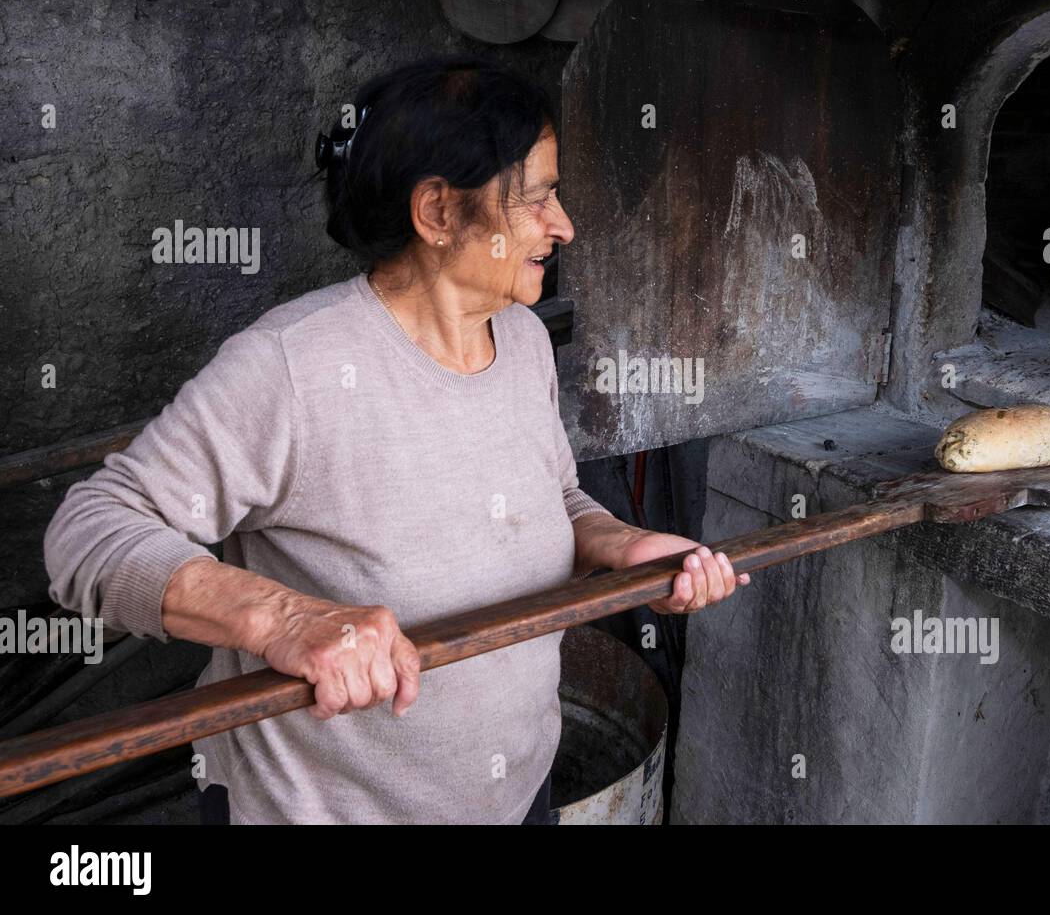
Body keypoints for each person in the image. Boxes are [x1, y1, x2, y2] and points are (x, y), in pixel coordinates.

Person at [44, 54, 746, 825]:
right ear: (440, 213)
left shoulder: (521, 341)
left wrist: (619, 542)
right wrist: (285, 621)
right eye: (539, 197)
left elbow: (556, 496)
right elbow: (90, 531)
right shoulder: (293, 368)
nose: (564, 224)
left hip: (515, 799)